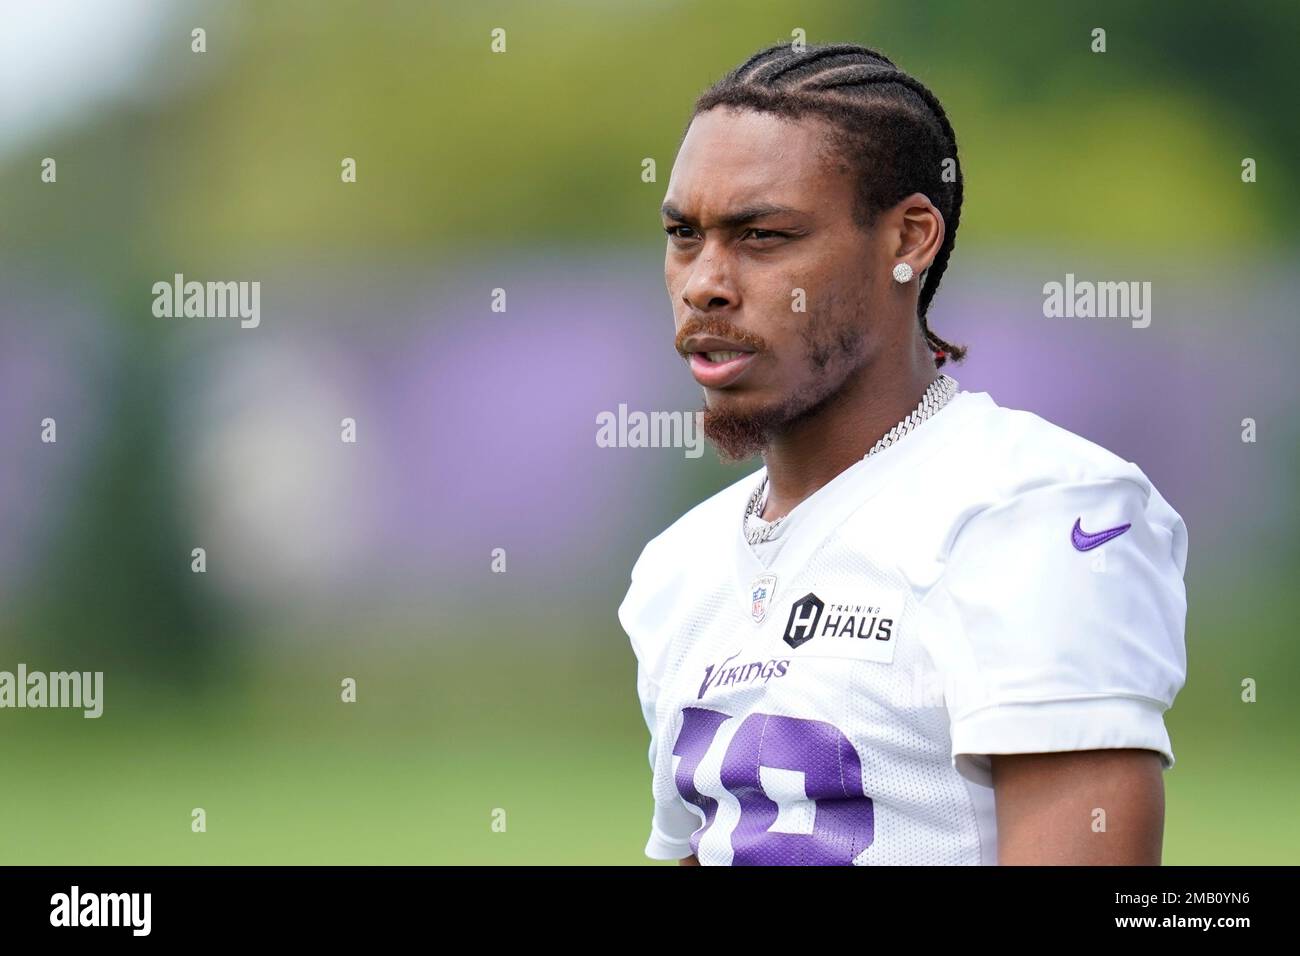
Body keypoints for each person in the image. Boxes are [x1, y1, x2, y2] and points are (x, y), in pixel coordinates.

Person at [618, 42, 1188, 865]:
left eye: (763, 235)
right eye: (683, 234)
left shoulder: (1035, 512)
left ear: (910, 238)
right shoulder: (677, 570)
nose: (704, 282)